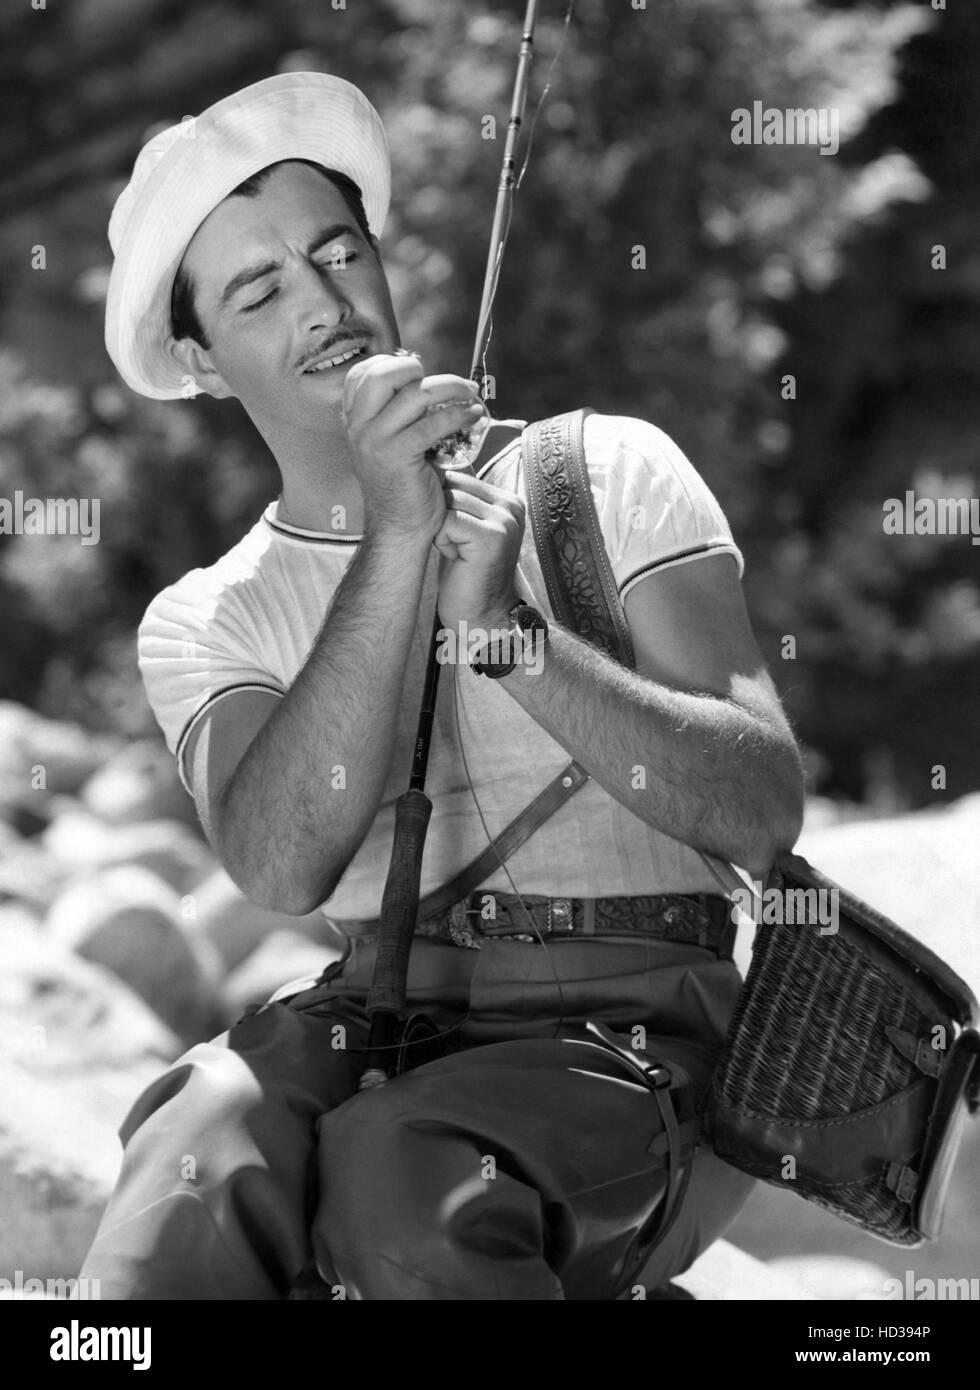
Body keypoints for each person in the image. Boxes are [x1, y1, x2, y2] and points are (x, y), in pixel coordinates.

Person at [81, 71, 805, 1300]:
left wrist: (511, 631)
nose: (320, 305)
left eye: (336, 254)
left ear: (382, 263)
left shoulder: (601, 473)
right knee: (187, 1153)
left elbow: (759, 809)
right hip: (374, 1019)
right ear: (202, 363)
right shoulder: (206, 617)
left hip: (645, 1033)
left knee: (408, 1181)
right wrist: (396, 546)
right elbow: (278, 866)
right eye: (258, 290)